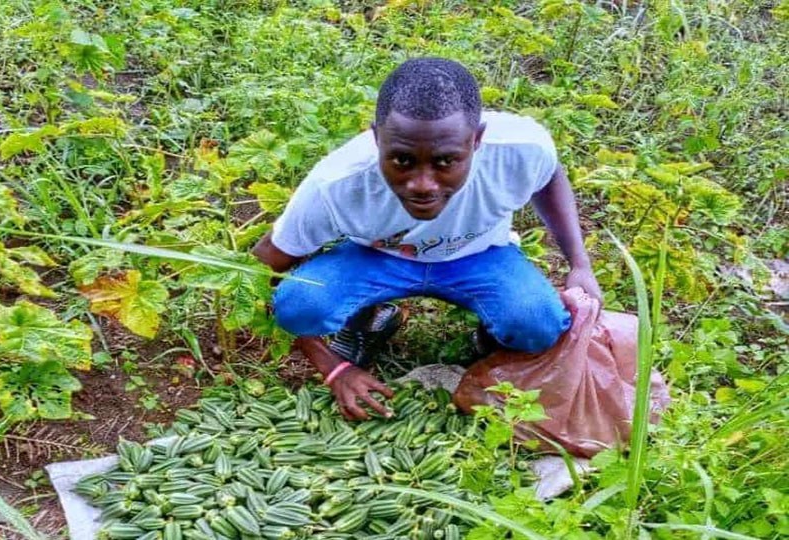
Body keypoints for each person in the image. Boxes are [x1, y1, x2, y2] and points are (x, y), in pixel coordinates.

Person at [252, 58, 602, 421]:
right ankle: (368, 319)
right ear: (376, 138)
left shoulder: (521, 148)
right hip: (376, 259)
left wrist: (580, 264)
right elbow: (261, 268)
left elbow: (549, 177)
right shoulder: (337, 184)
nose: (422, 184)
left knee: (538, 323)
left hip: (478, 255)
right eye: (402, 161)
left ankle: (490, 337)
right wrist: (333, 368)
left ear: (476, 141)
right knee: (300, 304)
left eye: (445, 162)